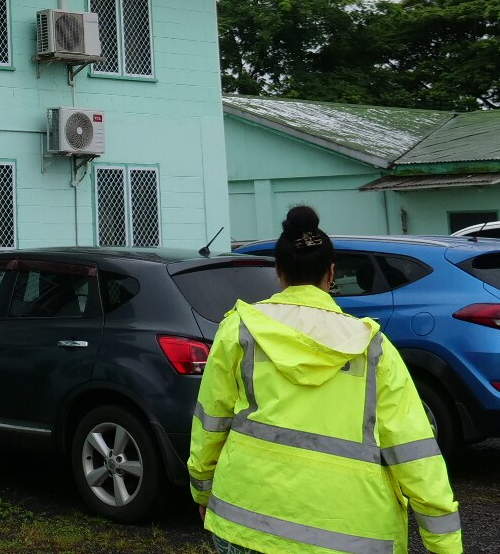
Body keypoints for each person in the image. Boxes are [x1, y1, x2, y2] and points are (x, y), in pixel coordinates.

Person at [188, 206, 462, 554]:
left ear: (279, 272)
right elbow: (415, 453)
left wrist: (202, 491)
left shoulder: (239, 330)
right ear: (332, 273)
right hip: (352, 536)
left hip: (246, 523)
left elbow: (210, 424)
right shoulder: (373, 349)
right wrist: (444, 544)